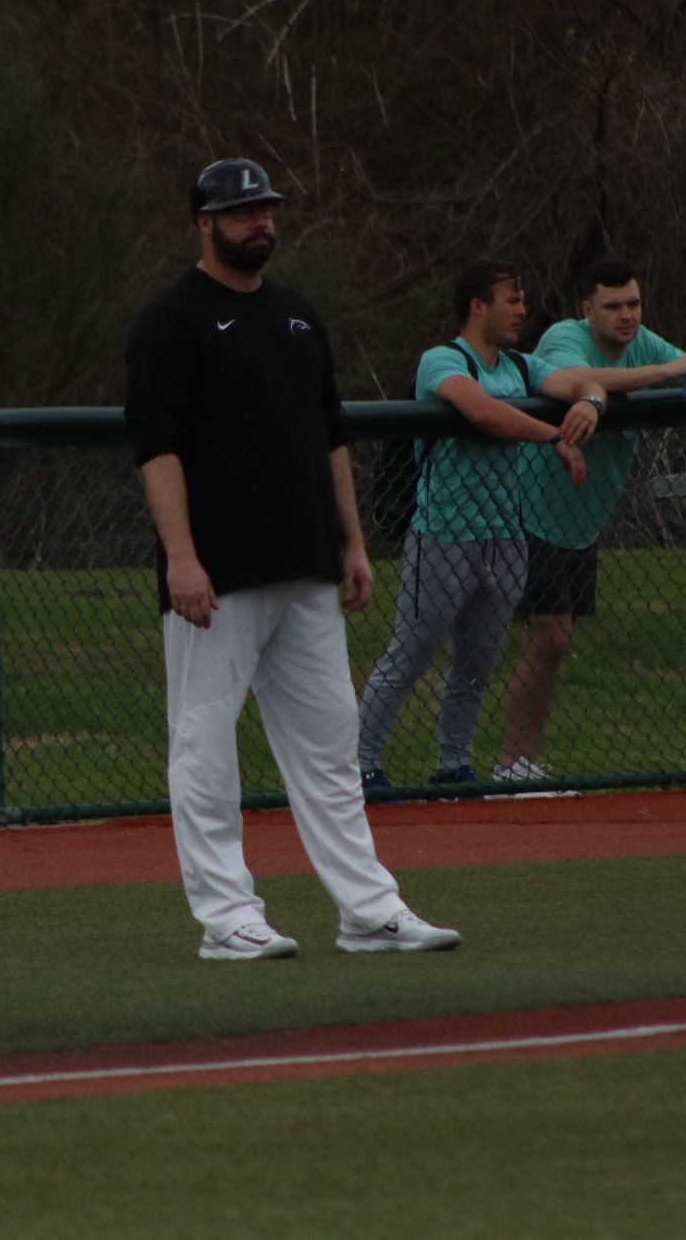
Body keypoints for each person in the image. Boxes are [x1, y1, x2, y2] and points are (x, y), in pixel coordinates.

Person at [124, 157, 461, 960]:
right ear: (204, 222)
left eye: (267, 207)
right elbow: (157, 448)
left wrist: (352, 543)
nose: (261, 220)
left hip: (307, 563)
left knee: (331, 746)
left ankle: (368, 909)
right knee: (205, 744)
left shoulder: (298, 317)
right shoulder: (169, 321)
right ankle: (226, 916)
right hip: (219, 573)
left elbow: (330, 437)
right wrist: (181, 559)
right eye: (243, 210)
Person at [356, 261, 609, 790]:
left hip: (505, 541)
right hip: (442, 538)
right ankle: (359, 768)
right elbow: (482, 412)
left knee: (475, 668)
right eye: (511, 301)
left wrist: (590, 401)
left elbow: (582, 381)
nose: (521, 310)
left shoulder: (519, 365)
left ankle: (454, 770)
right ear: (478, 307)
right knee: (408, 657)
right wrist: (554, 437)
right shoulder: (444, 360)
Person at [492, 257, 686, 788]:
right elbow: (581, 380)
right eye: (613, 306)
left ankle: (524, 764)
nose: (627, 316)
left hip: (581, 523)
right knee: (549, 638)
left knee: (553, 646)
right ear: (588, 310)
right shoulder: (563, 338)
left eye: (633, 304)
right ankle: (508, 767)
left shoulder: (642, 343)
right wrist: (671, 371)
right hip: (531, 512)